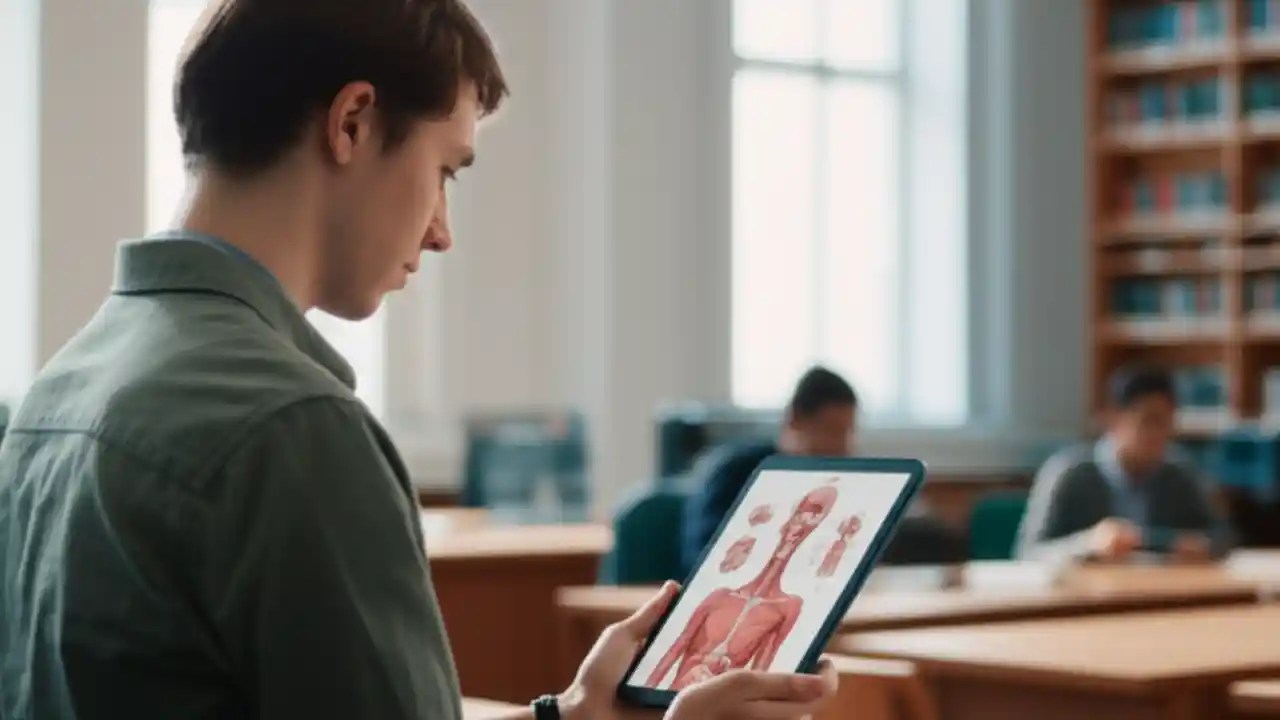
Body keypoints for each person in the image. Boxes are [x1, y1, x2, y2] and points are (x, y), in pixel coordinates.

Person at [0, 1, 837, 719]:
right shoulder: (295, 429)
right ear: (353, 121)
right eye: (445, 171)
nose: (442, 230)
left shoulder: (55, 392)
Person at [1016, 365, 1234, 564]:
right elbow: (1028, 553)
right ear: (1113, 419)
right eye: (1149, 421)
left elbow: (1224, 539)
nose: (1160, 435)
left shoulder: (1180, 473)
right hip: (1088, 597)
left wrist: (1203, 546)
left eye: (1167, 423)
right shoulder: (1069, 472)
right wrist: (1087, 544)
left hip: (1158, 593)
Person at [681, 367, 857, 577]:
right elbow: (704, 555)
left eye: (847, 433)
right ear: (795, 419)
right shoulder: (737, 472)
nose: (842, 447)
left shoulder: (835, 485)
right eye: (831, 431)